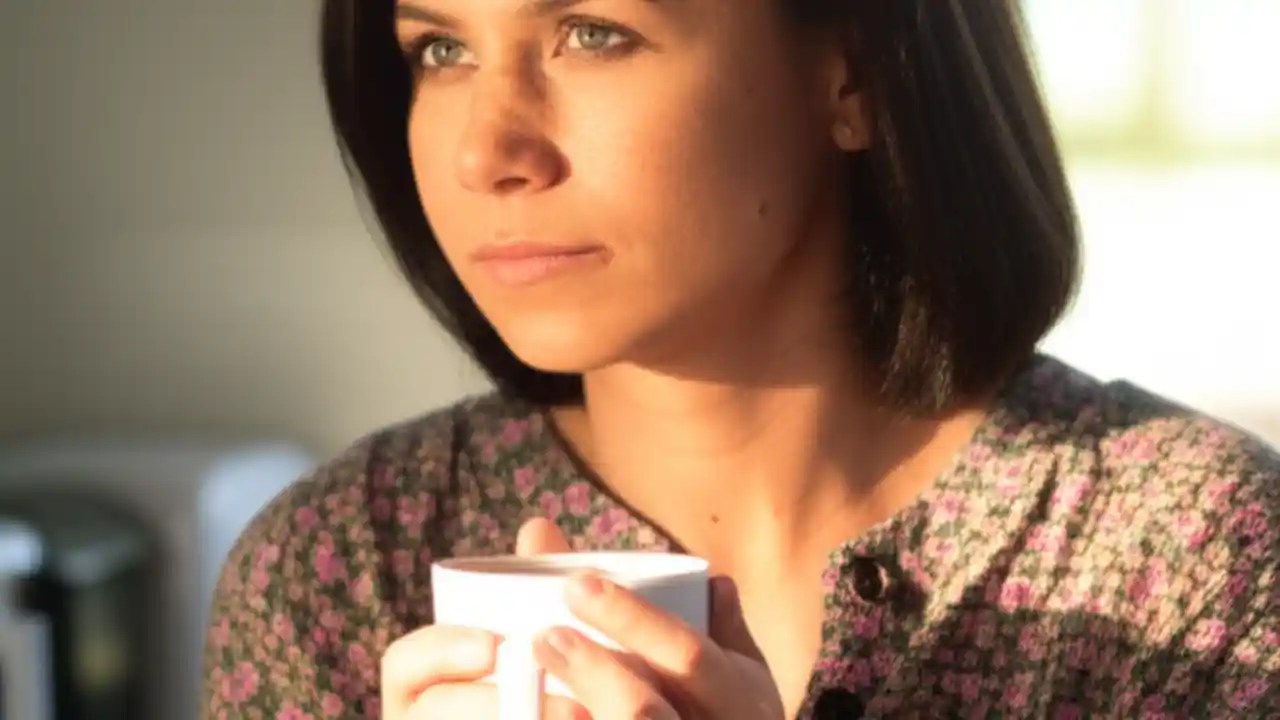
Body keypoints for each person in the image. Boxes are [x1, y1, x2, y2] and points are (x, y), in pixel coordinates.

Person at [203, 0, 1279, 717]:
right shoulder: (338, 571)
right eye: (439, 49)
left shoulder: (1186, 558)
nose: (487, 150)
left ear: (851, 71)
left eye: (590, 32)